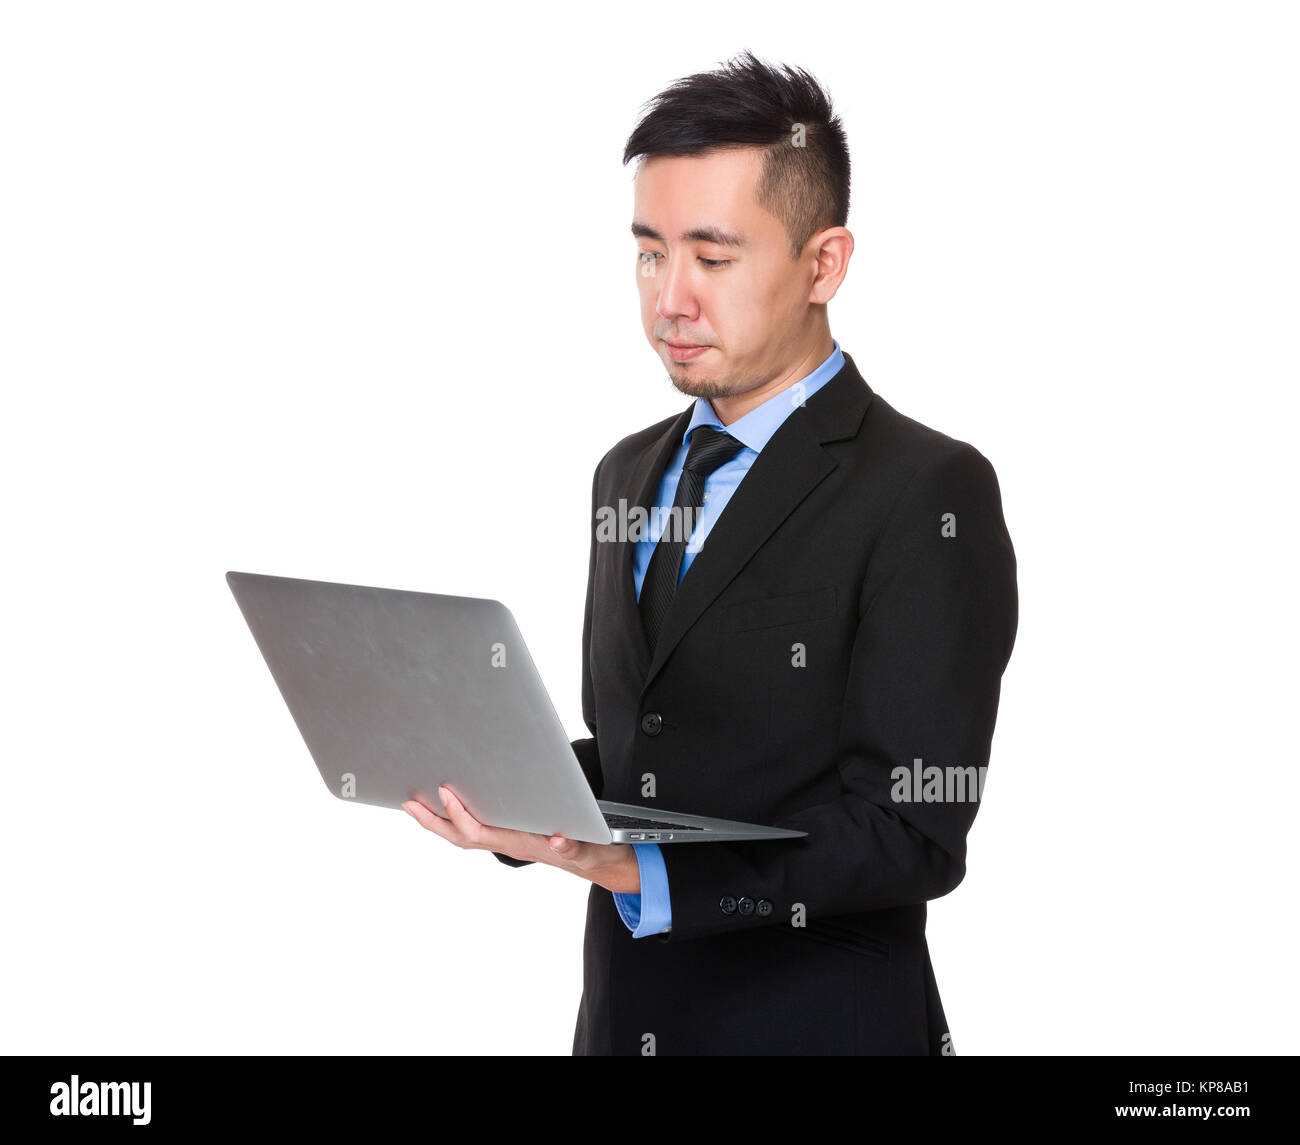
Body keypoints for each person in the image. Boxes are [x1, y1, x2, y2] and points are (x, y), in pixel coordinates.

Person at [402, 49, 1018, 1055]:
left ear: (823, 264)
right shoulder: (626, 474)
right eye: (649, 251)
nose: (668, 299)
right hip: (626, 1022)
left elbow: (909, 830)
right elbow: (654, 754)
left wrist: (630, 868)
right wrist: (504, 780)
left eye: (713, 256)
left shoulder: (924, 490)